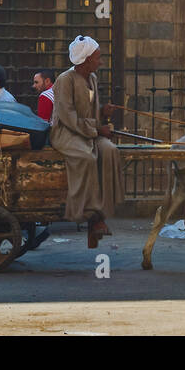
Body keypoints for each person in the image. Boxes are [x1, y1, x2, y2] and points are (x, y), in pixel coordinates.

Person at [48, 36, 124, 249]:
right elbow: (67, 116)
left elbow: (90, 113)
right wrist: (97, 129)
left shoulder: (92, 79)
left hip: (86, 131)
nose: (100, 62)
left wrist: (102, 113)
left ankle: (102, 213)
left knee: (110, 151)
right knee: (86, 157)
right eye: (98, 58)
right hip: (66, 133)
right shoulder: (65, 79)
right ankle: (88, 214)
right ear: (86, 60)